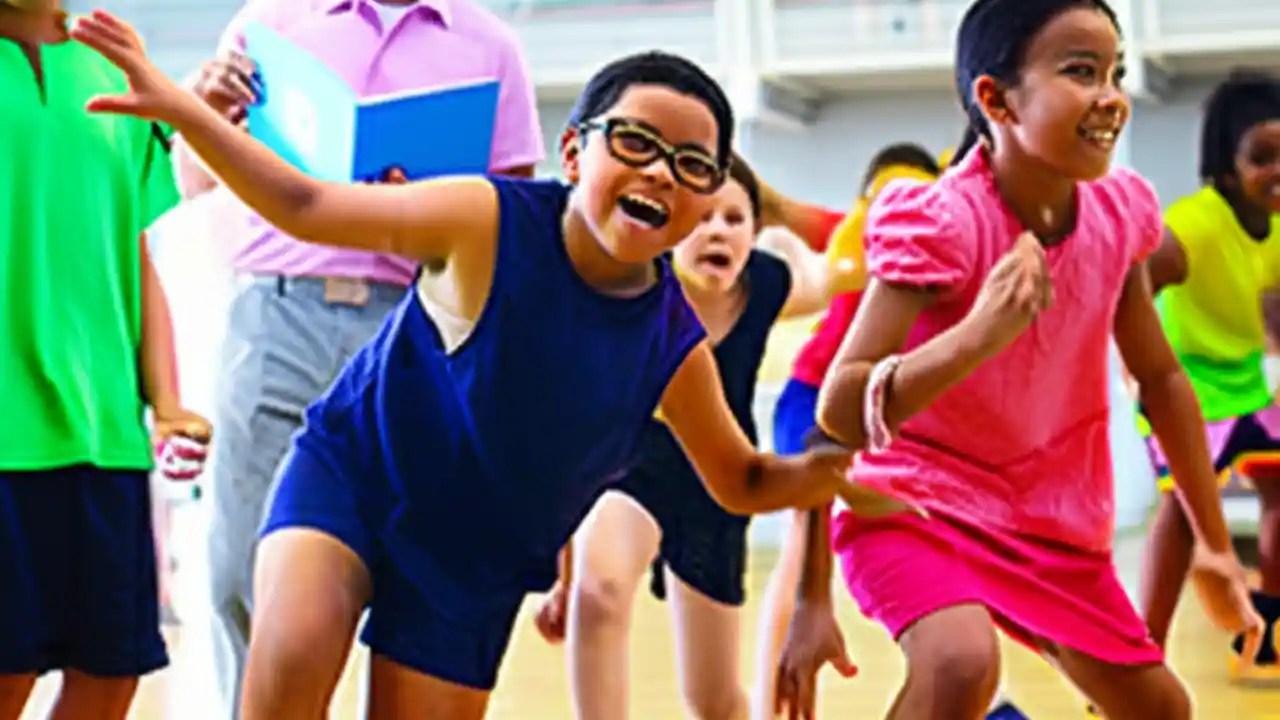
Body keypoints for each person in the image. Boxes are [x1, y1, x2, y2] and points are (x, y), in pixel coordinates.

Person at [70, 13, 881, 717]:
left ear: (706, 198)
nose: (660, 171)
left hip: (474, 560)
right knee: (294, 652)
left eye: (691, 164)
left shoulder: (671, 345)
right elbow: (309, 206)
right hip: (356, 476)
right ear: (573, 150)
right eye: (634, 142)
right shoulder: (483, 219)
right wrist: (182, 109)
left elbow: (741, 479)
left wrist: (836, 473)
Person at [771, 2, 1262, 719]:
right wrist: (978, 334)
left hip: (1052, 529)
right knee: (961, 662)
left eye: (1114, 73)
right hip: (916, 506)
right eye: (1080, 71)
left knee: (1163, 709)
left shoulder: (1118, 211)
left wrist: (1214, 545)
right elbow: (839, 407)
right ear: (995, 100)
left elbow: (1158, 378)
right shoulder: (940, 219)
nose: (1110, 97)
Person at [172, 0, 545, 713]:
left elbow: (512, 212)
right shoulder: (268, 25)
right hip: (275, 313)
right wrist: (204, 119)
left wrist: (424, 206)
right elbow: (198, 184)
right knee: (237, 565)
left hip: (415, 327)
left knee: (409, 571)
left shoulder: (488, 43)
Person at [532, 156, 875, 720]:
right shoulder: (636, 290)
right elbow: (574, 436)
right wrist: (567, 577)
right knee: (600, 596)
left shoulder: (768, 285)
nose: (717, 230)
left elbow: (831, 275)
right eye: (703, 218)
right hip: (632, 474)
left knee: (713, 701)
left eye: (735, 220)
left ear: (754, 235)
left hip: (721, 492)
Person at [0, 3, 210, 719]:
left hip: (104, 432)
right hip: (7, 431)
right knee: (7, 673)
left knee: (111, 669)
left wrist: (168, 399)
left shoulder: (114, 65)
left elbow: (136, 251)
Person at [1139, 69, 1280, 681]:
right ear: (1226, 167)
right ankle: (1141, 654)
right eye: (1262, 157)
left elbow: (1272, 307)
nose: (1278, 170)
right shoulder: (1193, 222)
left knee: (1278, 486)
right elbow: (1132, 282)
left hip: (1247, 379)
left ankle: (1267, 622)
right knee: (1178, 513)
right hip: (1185, 382)